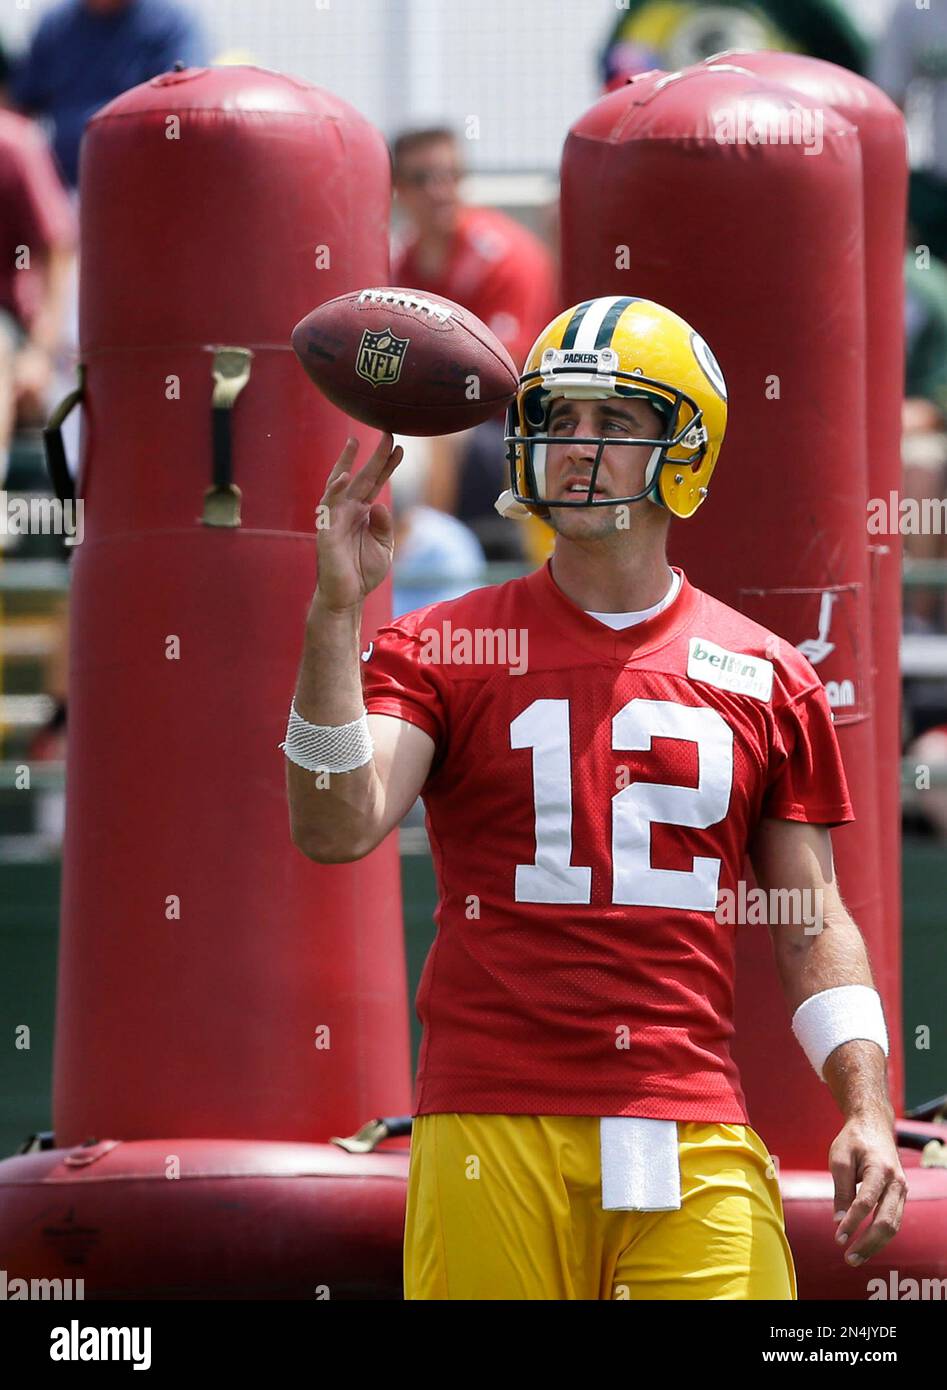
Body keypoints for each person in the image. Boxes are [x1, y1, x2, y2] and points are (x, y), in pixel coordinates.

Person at [283, 296, 904, 1300]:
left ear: (683, 449)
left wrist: (866, 1105)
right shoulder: (445, 644)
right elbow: (333, 821)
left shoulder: (766, 672)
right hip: (489, 1116)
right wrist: (331, 614)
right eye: (557, 420)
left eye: (614, 423)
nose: (577, 448)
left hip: (688, 1115)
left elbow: (806, 921)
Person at [10, 0, 207, 189]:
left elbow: (181, 106)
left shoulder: (173, 23)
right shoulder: (55, 23)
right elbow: (20, 109)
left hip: (143, 183)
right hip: (63, 186)